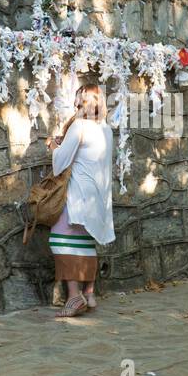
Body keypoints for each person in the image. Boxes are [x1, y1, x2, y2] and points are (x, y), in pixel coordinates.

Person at [48, 83, 115, 317]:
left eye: (79, 99)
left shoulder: (79, 125)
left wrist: (55, 145)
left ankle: (74, 295)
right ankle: (89, 293)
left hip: (79, 195)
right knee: (86, 243)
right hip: (98, 197)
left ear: (85, 102)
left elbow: (60, 163)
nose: (75, 103)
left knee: (59, 238)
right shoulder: (106, 129)